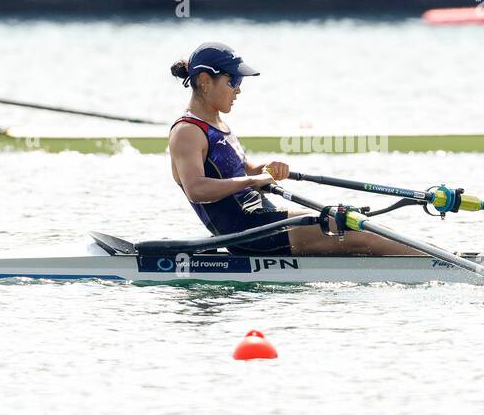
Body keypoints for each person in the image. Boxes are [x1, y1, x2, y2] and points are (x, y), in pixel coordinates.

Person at [168, 42, 417, 255]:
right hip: (245, 231)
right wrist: (251, 182)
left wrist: (265, 168)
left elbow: (243, 170)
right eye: (233, 80)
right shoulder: (187, 132)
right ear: (204, 81)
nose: (239, 89)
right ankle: (442, 264)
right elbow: (196, 189)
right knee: (354, 231)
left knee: (354, 223)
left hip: (260, 215)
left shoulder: (216, 122)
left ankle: (432, 256)